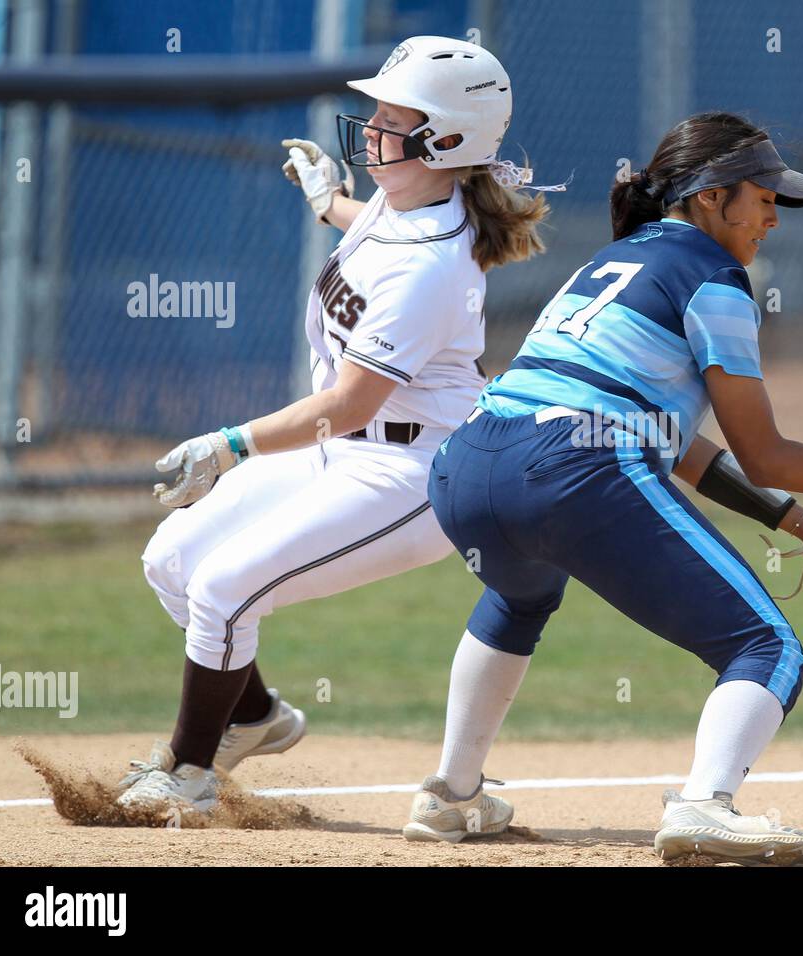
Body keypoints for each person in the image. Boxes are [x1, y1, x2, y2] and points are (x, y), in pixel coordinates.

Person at [404, 111, 803, 864]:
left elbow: (667, 438)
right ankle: (705, 806)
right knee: (766, 646)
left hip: (468, 467)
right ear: (711, 197)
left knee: (519, 597)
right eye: (765, 196)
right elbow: (765, 452)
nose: (775, 217)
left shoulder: (618, 262)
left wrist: (797, 523)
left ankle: (450, 797)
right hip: (568, 469)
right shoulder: (715, 278)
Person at [117, 36, 552, 813]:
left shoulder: (429, 266)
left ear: (446, 140)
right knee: (172, 559)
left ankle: (186, 775)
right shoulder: (403, 200)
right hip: (341, 452)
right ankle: (253, 717)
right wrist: (329, 204)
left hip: (415, 475)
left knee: (222, 587)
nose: (372, 127)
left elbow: (349, 403)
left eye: (394, 116)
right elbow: (373, 231)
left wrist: (229, 444)